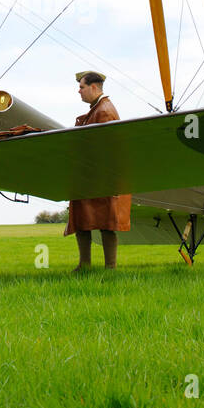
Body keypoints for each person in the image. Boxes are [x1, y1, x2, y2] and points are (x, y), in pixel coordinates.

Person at [66, 71, 131, 270]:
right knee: (81, 219)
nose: (79, 91)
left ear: (94, 88)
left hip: (102, 178)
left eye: (82, 87)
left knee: (106, 223)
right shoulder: (97, 108)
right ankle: (84, 264)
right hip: (92, 176)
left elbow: (107, 149)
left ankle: (110, 267)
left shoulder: (104, 111)